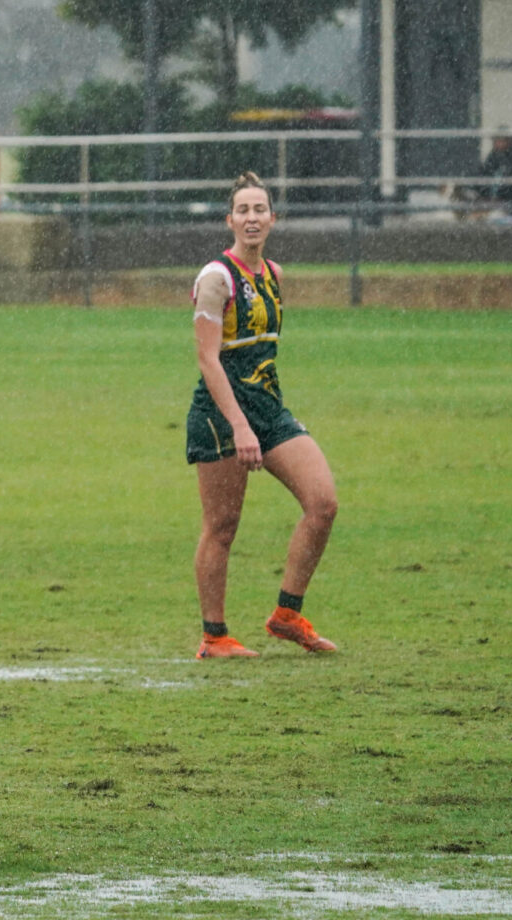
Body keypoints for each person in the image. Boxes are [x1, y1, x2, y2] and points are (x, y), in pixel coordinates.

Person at [187, 172, 339, 660]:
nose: (252, 218)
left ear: (273, 218)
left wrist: (258, 419)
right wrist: (239, 425)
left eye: (260, 210)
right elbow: (209, 359)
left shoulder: (273, 273)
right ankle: (215, 637)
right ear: (229, 220)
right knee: (223, 525)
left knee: (323, 503)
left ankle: (287, 615)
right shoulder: (216, 278)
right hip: (221, 413)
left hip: (269, 407)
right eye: (243, 211)